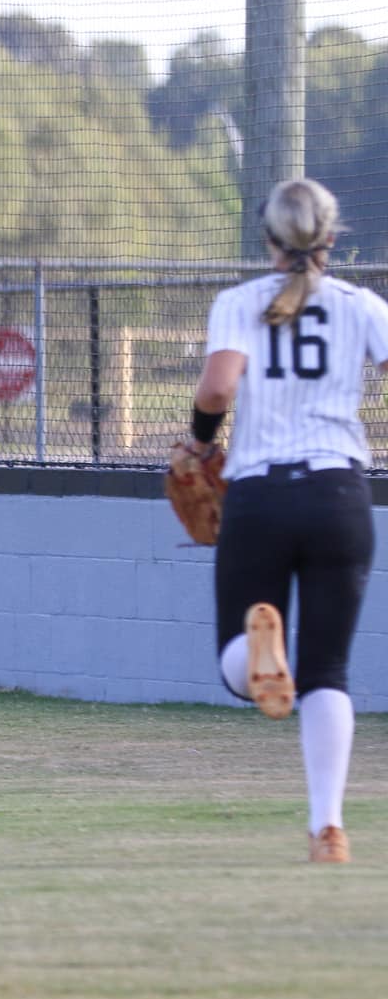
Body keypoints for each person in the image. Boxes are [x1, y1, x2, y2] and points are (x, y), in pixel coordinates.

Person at [185, 176, 388, 864]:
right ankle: (327, 827)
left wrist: (201, 443)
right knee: (328, 670)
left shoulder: (240, 302)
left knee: (236, 669)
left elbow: (218, 387)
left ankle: (258, 654)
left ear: (269, 237)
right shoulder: (364, 305)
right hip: (340, 494)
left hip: (262, 495)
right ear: (332, 239)